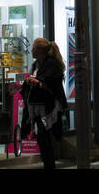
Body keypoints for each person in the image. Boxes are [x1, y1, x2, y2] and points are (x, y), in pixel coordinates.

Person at [21, 38, 67, 168]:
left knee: (44, 136)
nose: (31, 50)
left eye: (34, 48)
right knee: (42, 138)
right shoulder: (36, 65)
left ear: (40, 50)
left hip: (49, 108)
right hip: (37, 107)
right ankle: (48, 163)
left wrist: (39, 83)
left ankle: (50, 164)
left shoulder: (52, 65)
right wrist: (29, 83)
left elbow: (52, 86)